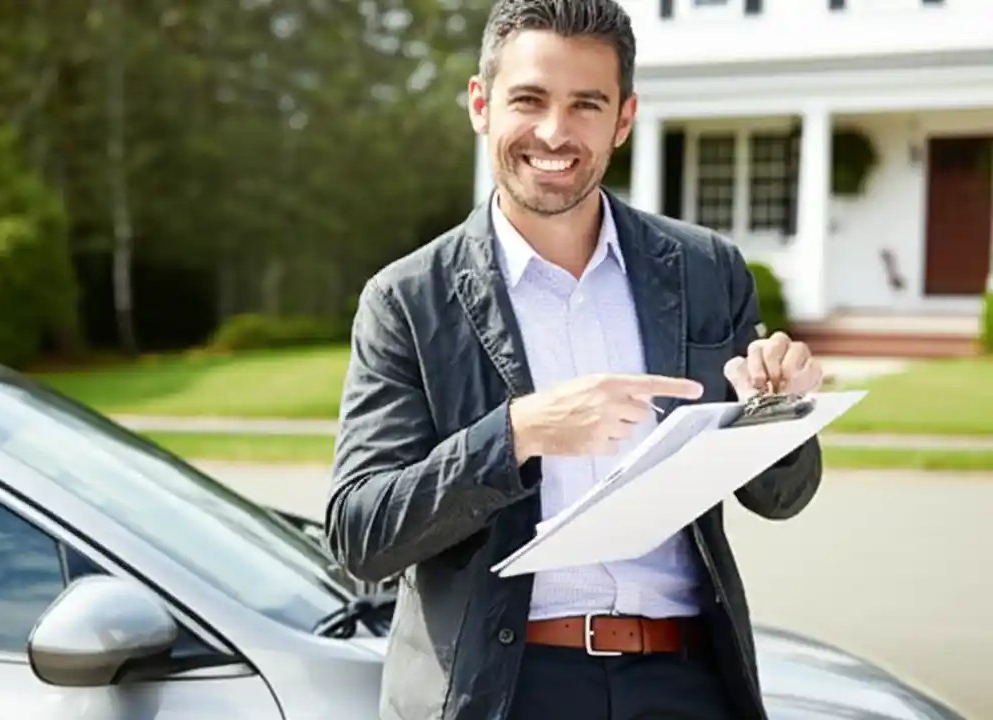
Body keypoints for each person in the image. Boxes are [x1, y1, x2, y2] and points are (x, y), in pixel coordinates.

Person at [324, 1, 825, 719]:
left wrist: (781, 415)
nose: (555, 133)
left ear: (623, 119)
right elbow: (361, 534)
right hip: (506, 689)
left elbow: (782, 496)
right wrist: (518, 432)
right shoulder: (406, 300)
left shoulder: (705, 270)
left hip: (685, 684)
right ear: (480, 105)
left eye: (585, 105)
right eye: (528, 100)